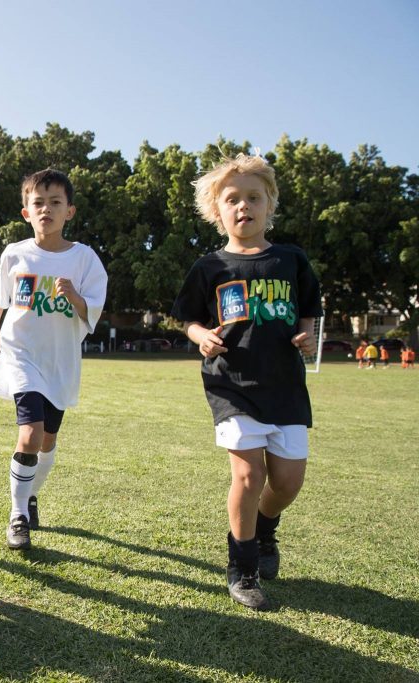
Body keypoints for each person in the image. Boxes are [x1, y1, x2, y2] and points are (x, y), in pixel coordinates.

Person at [172, 154, 322, 610]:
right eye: (232, 199)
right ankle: (243, 569)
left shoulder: (291, 260)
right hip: (232, 384)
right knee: (247, 472)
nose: (243, 207)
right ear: (216, 210)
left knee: (288, 481)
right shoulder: (209, 267)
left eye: (253, 197)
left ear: (269, 204)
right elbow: (187, 319)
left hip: (286, 388)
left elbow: (310, 312)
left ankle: (265, 525)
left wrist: (309, 336)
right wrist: (202, 338)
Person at [0, 169, 107, 550]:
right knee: (30, 433)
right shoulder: (15, 254)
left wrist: (75, 297)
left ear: (70, 211)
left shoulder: (84, 260)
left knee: (48, 441)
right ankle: (18, 514)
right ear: (26, 212)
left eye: (55, 202)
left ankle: (30, 494)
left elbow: (93, 312)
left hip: (60, 363)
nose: (46, 209)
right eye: (38, 203)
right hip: (21, 353)